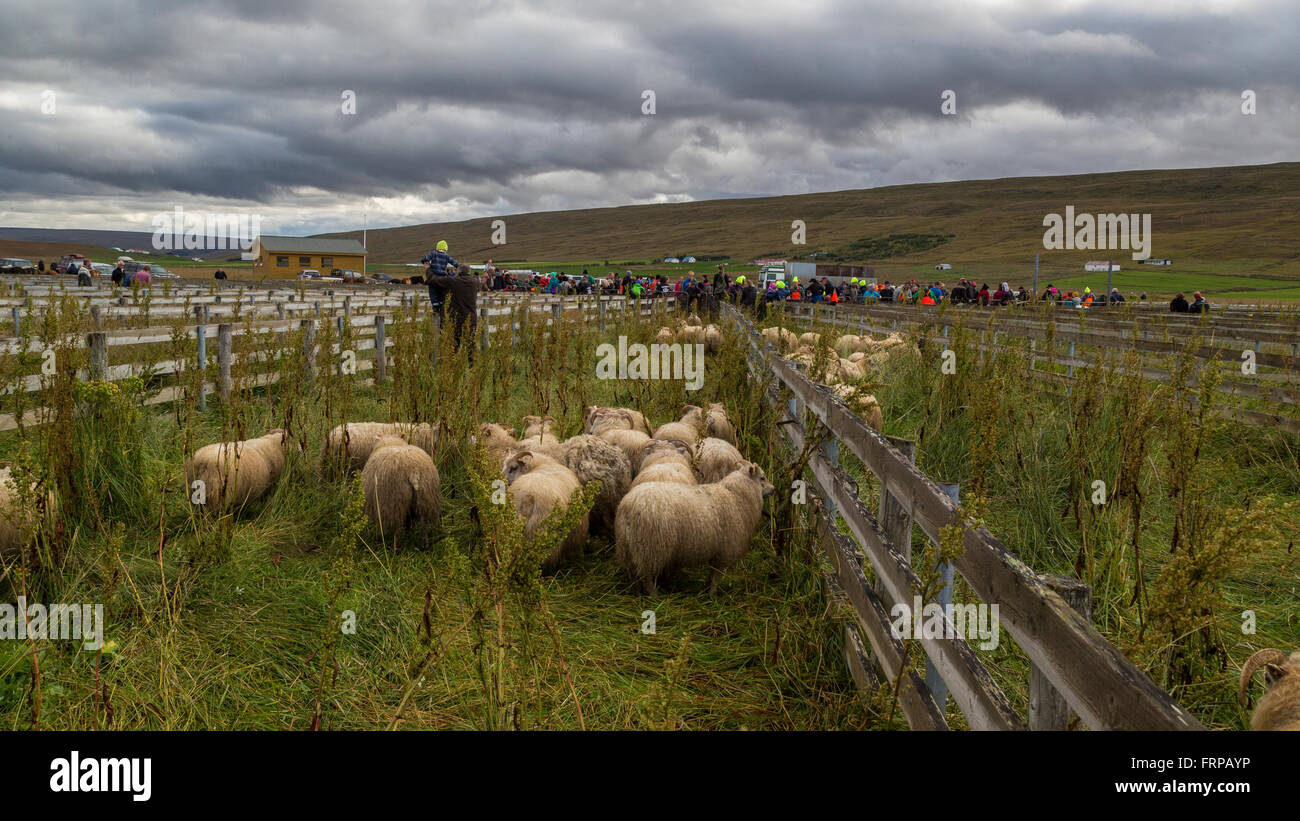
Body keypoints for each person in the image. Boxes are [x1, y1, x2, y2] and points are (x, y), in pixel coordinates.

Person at [427, 263, 482, 357]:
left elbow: (433, 280)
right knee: (470, 344)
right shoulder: (475, 282)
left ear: (459, 272)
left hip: (454, 318)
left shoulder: (453, 281)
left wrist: (428, 268)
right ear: (469, 272)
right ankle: (472, 366)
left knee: (452, 345)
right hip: (471, 318)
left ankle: (452, 366)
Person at [421, 240, 458, 314]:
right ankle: (441, 303)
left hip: (434, 275)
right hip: (443, 277)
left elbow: (425, 259)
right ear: (445, 249)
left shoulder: (433, 253)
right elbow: (455, 263)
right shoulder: (447, 256)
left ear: (437, 247)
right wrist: (459, 267)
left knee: (433, 291)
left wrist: (424, 262)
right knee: (441, 291)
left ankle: (435, 305)